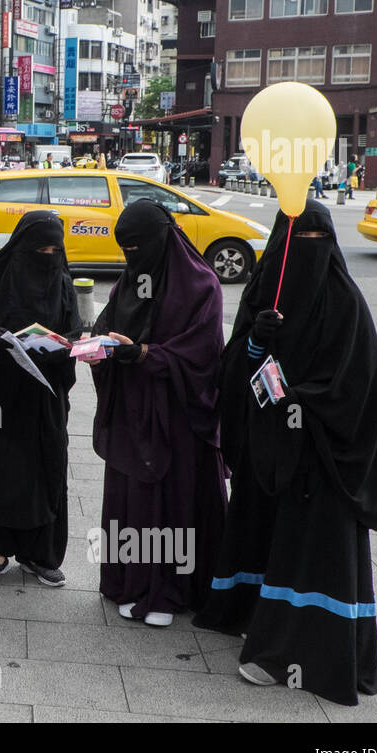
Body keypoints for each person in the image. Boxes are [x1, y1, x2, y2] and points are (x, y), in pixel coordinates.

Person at [193, 201, 377, 706]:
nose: (303, 254)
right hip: (266, 444)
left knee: (308, 547)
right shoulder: (264, 291)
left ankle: (290, 653)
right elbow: (233, 366)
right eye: (293, 243)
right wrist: (256, 343)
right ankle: (245, 613)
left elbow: (360, 390)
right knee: (260, 529)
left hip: (320, 455)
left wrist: (301, 399)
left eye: (312, 244)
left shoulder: (344, 302)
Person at [87, 201, 227, 627]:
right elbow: (108, 324)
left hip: (178, 418)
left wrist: (146, 353)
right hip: (132, 411)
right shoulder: (128, 282)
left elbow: (203, 354)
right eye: (125, 249)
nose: (133, 257)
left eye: (138, 247)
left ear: (162, 239)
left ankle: (167, 591)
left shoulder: (201, 285)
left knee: (169, 503)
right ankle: (130, 583)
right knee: (132, 499)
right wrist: (98, 348)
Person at [0, 211, 80, 587]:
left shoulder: (64, 284)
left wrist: (68, 347)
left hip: (44, 396)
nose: (48, 256)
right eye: (40, 248)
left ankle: (39, 555)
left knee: (45, 469)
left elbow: (72, 331)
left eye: (55, 250)